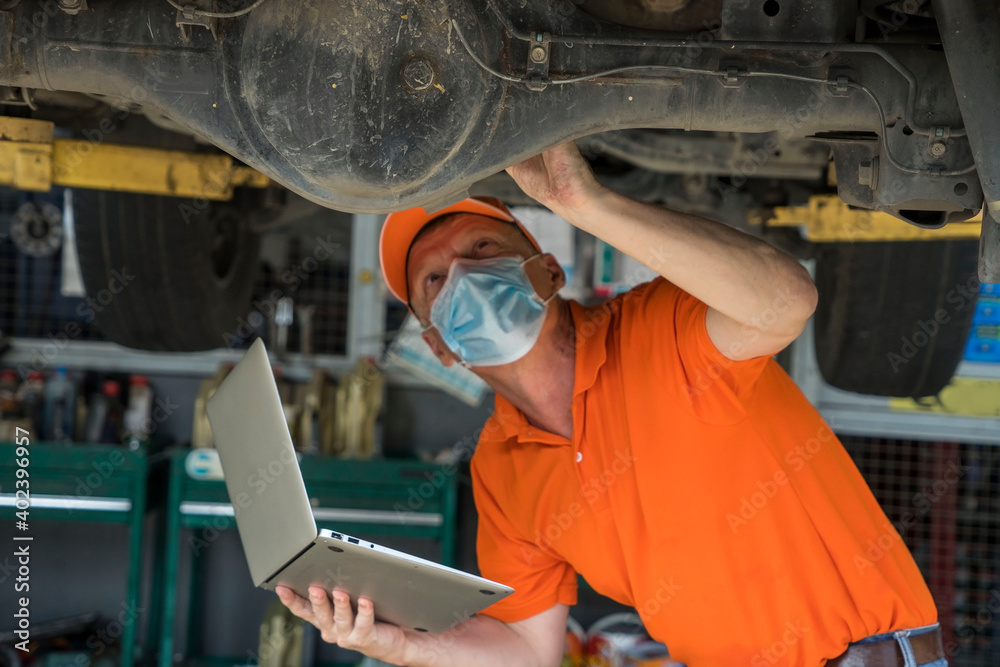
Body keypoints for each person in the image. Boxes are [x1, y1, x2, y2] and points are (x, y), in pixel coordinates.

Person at [276, 142, 946, 667]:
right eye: (436, 279)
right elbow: (527, 649)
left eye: (482, 249)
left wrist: (585, 202)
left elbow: (787, 301)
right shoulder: (503, 472)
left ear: (548, 268)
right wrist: (397, 645)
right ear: (439, 344)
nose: (467, 279)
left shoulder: (663, 326)